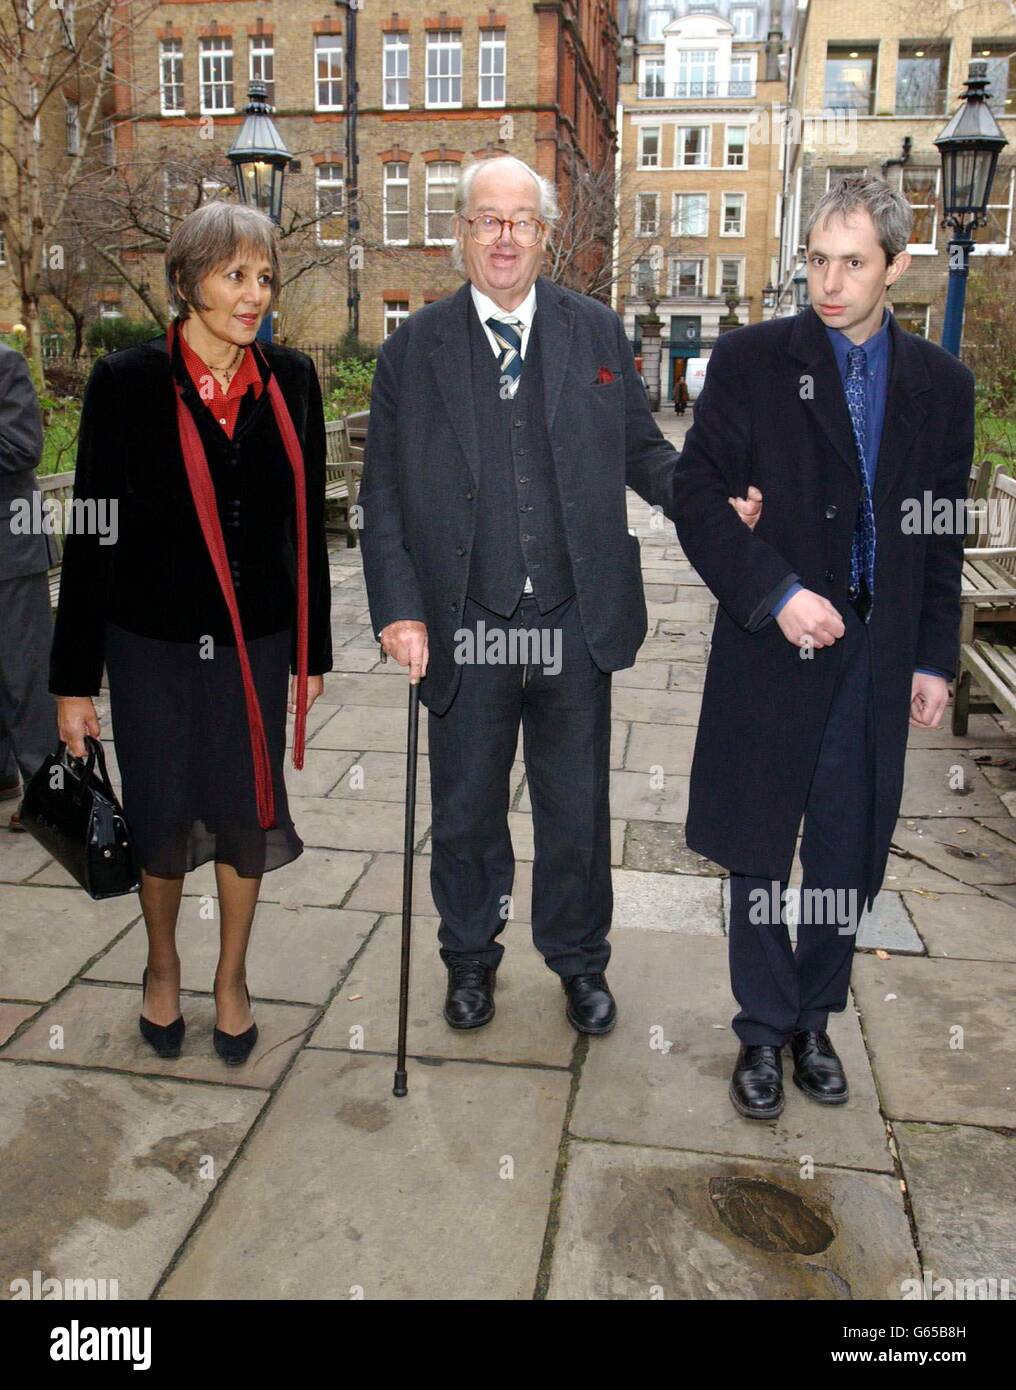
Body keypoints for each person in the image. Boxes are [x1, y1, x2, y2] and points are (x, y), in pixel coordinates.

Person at [359, 153, 762, 1035]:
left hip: (575, 619)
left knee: (576, 808)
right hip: (466, 622)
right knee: (464, 809)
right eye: (486, 220)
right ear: (463, 232)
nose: (504, 237)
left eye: (522, 221)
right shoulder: (411, 351)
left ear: (546, 235)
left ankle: (579, 961)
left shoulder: (596, 334)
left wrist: (708, 492)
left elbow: (642, 453)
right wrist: (398, 608)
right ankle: (469, 957)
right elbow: (381, 493)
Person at [673, 175, 974, 1120]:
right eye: (816, 260)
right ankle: (761, 1032)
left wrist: (932, 658)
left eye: (853, 263)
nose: (830, 282)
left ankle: (814, 1018)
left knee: (847, 853)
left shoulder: (941, 384)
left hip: (879, 665)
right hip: (776, 649)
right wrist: (776, 590)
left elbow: (943, 530)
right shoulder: (752, 360)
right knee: (761, 844)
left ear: (897, 266)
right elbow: (694, 494)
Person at [49, 202, 332, 1066]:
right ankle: (162, 965)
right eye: (234, 276)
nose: (254, 296)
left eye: (264, 278)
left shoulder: (290, 380)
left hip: (256, 645)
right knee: (164, 814)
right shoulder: (128, 383)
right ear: (185, 283)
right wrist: (72, 682)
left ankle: (233, 980)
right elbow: (91, 532)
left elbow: (303, 525)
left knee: (247, 816)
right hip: (151, 648)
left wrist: (312, 656)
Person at [0, 339, 56, 832]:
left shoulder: (5, 362)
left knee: (24, 675)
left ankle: (47, 792)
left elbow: (22, 447)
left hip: (10, 550)